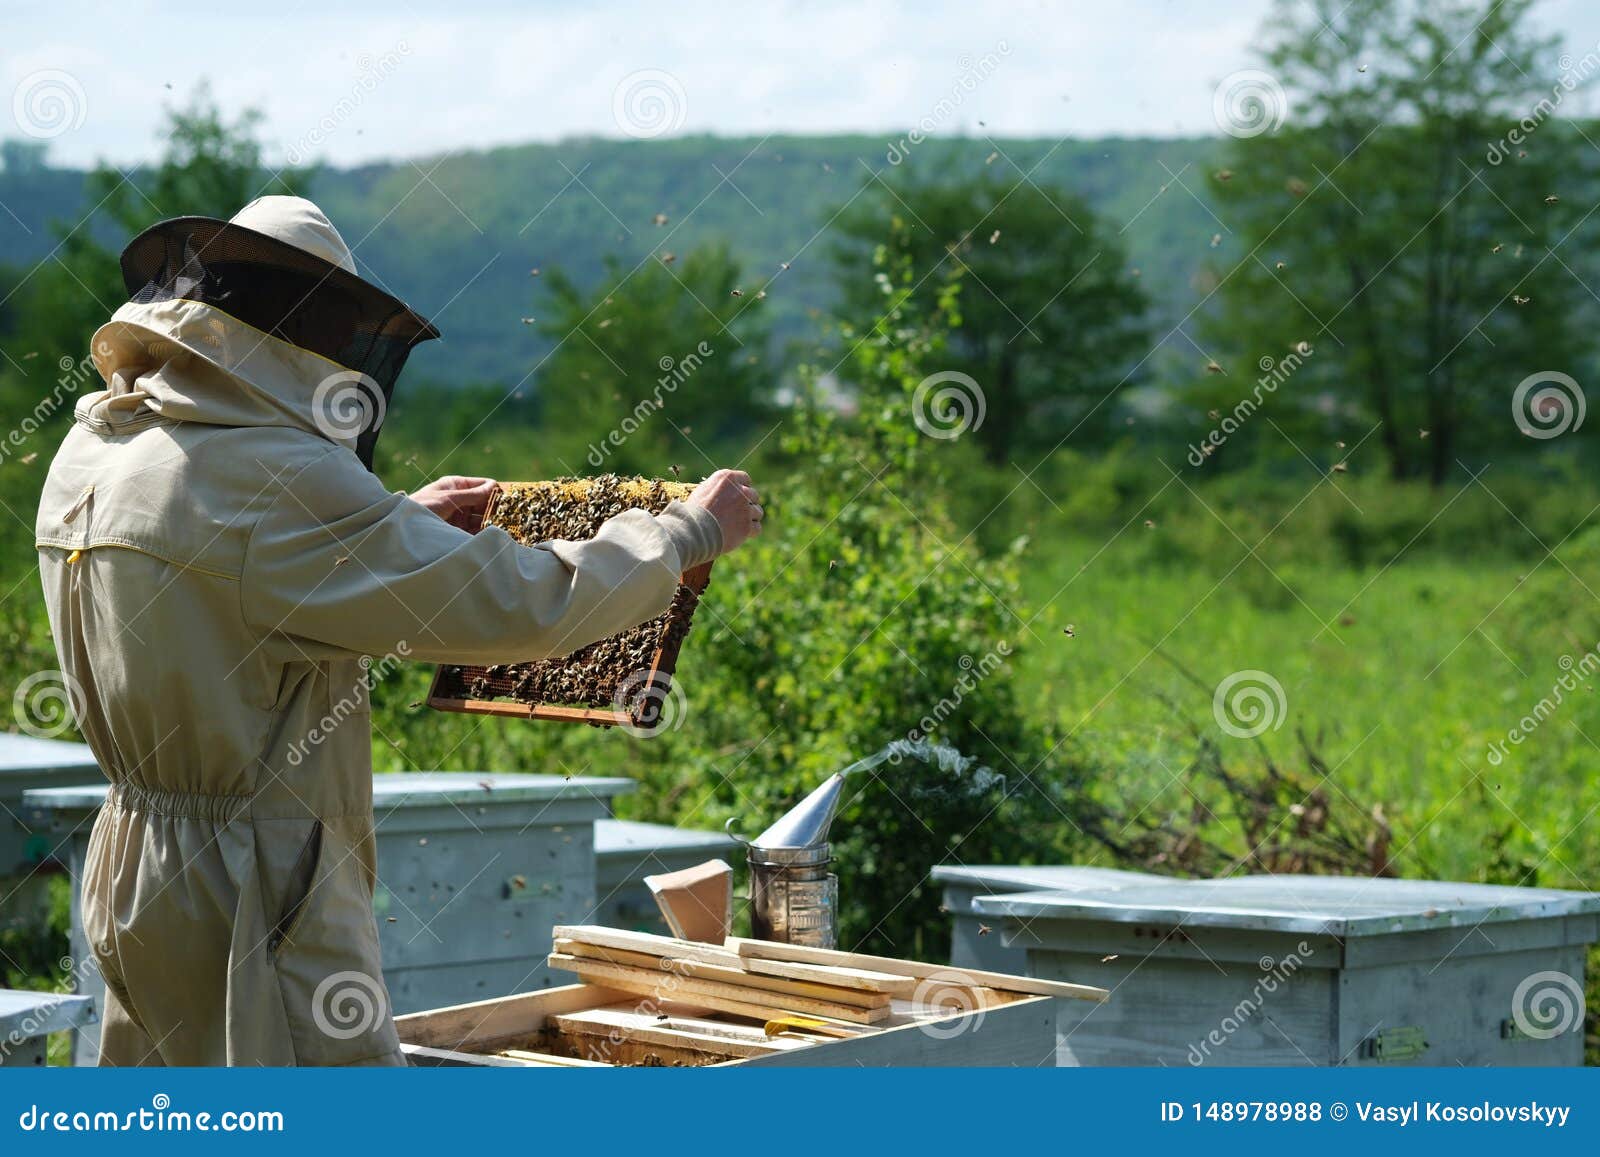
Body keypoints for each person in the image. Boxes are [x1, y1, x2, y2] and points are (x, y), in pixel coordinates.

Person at [34, 195, 763, 1066]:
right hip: (255, 883)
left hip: (135, 864)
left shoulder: (98, 450)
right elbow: (519, 599)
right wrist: (686, 531)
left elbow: (233, 584)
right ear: (293, 332)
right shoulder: (275, 484)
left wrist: (389, 525)